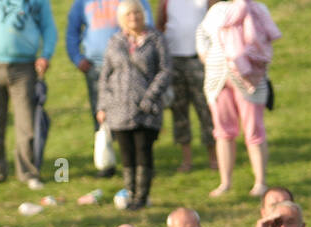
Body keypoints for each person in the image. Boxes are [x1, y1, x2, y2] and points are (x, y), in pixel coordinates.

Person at [0, 0, 57, 190]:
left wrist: (46, 55)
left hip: (24, 68)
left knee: (27, 124)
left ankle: (28, 173)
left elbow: (49, 28)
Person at [196, 0, 280, 198]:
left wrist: (253, 61)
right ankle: (225, 182)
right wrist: (205, 56)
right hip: (218, 78)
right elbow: (202, 33)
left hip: (250, 78)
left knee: (254, 130)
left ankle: (260, 182)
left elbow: (265, 40)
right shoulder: (217, 10)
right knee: (223, 132)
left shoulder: (258, 9)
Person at [96, 0, 170, 210]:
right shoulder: (115, 41)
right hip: (118, 107)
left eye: (137, 13)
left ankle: (142, 195)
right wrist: (103, 105)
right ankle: (129, 193)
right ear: (122, 18)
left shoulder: (155, 39)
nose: (133, 18)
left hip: (146, 109)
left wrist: (150, 97)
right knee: (126, 153)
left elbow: (165, 70)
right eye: (128, 15)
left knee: (143, 150)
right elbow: (105, 76)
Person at [65, 1, 153, 173]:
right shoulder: (83, 3)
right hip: (96, 67)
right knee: (101, 114)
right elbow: (72, 31)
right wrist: (77, 57)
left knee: (134, 113)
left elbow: (147, 24)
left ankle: (139, 162)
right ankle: (106, 162)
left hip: (130, 67)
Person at [157, 0, 215, 173]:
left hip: (200, 60)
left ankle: (214, 157)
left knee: (206, 110)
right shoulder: (166, 2)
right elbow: (160, 25)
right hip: (174, 62)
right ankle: (186, 160)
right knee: (179, 112)